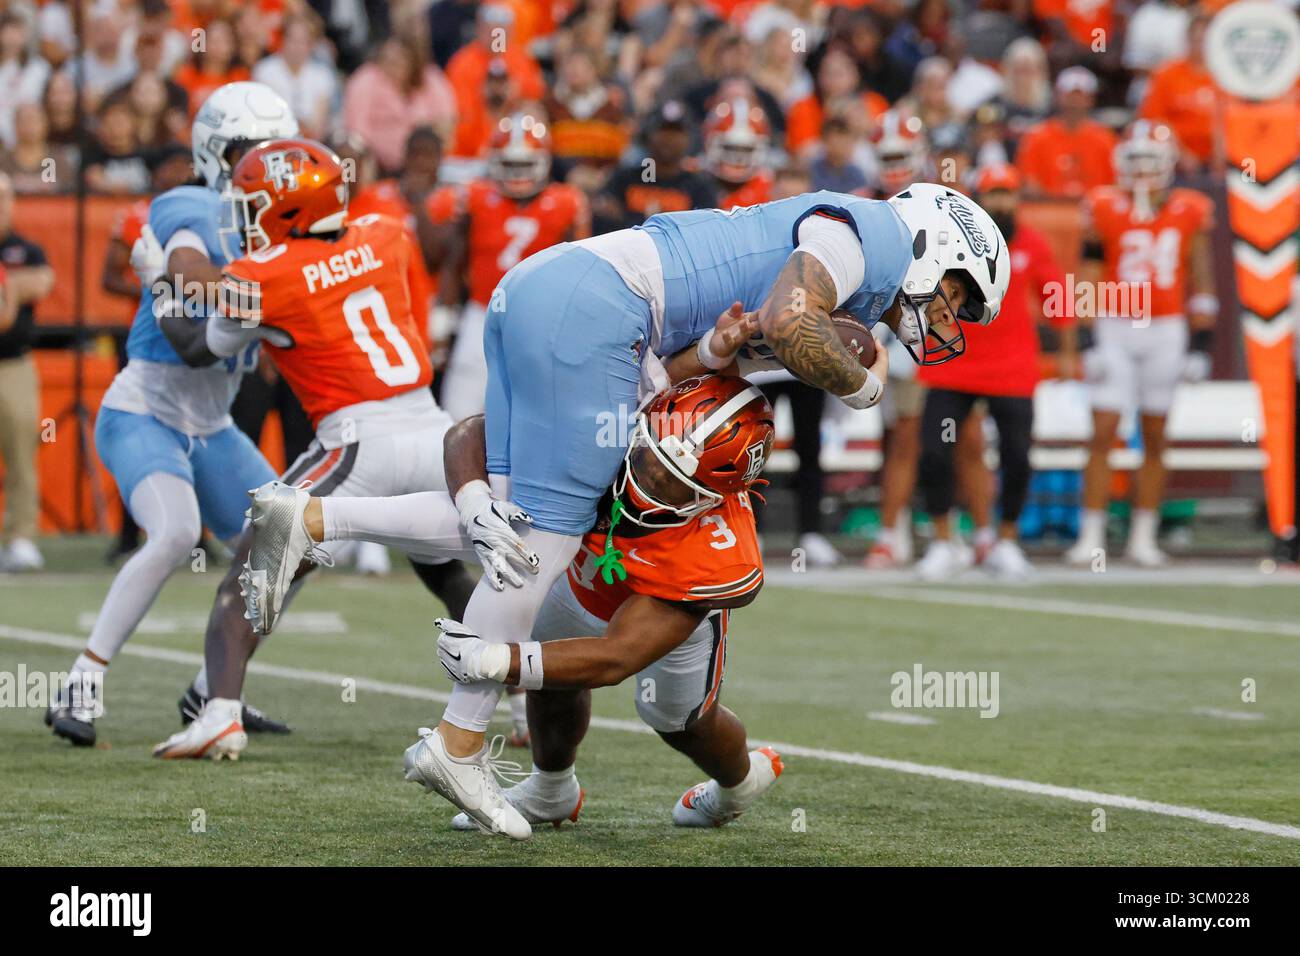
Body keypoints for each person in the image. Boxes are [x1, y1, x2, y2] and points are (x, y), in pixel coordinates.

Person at [211, 182, 1009, 840]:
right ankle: (456, 743)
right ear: (937, 245)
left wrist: (730, 351)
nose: (944, 324)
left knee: (516, 517)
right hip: (603, 306)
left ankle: (316, 521)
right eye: (954, 299)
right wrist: (863, 387)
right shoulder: (864, 231)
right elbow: (796, 324)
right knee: (542, 540)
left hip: (553, 289)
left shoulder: (847, 259)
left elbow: (730, 345)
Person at [151, 137, 476, 759]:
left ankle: (218, 712)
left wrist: (162, 288)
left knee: (254, 564)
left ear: (287, 210)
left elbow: (199, 346)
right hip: (435, 434)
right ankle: (518, 697)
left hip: (359, 443)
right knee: (443, 568)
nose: (244, 218)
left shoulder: (265, 273)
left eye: (253, 206)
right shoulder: (386, 233)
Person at [45, 82, 298, 748]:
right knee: (176, 531)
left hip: (211, 427)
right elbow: (187, 270)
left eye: (277, 152)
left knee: (294, 540)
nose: (267, 166)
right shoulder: (191, 205)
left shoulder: (280, 227)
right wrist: (241, 295)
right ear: (220, 153)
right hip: (146, 411)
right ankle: (82, 680)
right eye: (254, 151)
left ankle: (212, 689)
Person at [422, 375, 784, 830]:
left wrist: (493, 659)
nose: (646, 481)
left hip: (660, 594)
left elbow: (616, 658)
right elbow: (469, 432)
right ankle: (551, 790)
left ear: (711, 498)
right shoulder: (605, 422)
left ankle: (740, 783)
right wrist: (474, 499)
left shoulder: (717, 555)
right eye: (648, 456)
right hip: (586, 575)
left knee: (677, 720)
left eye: (672, 484)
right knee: (548, 671)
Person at [1066, 121, 1216, 568]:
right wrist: (1089, 338)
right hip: (1115, 323)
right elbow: (1089, 274)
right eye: (1137, 161)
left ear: (1169, 164)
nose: (1144, 171)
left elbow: (1201, 277)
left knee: (1154, 435)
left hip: (1167, 328)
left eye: (1152, 161)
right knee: (1103, 430)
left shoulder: (1191, 209)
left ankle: (1143, 535)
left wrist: (1201, 344)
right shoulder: (1104, 205)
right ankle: (1092, 534)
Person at [914, 164, 1074, 580]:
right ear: (978, 199)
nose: (1001, 202)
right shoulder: (953, 244)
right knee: (935, 450)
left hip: (1012, 368)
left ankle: (1005, 540)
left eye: (1007, 193)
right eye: (994, 194)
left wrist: (1071, 350)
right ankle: (945, 540)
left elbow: (1057, 297)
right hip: (954, 363)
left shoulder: (1032, 244)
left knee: (1017, 454)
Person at [427, 113, 590, 423]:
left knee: (535, 409)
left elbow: (580, 274)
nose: (517, 173)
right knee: (458, 409)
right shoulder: (475, 196)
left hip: (542, 316)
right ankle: (454, 470)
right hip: (481, 310)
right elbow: (453, 261)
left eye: (524, 164)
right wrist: (442, 322)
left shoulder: (566, 202)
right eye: (510, 164)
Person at [0, 171, 54, 572]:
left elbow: (40, 282)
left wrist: (12, 286)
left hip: (13, 362)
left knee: (21, 448)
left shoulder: (25, 249)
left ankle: (19, 536)